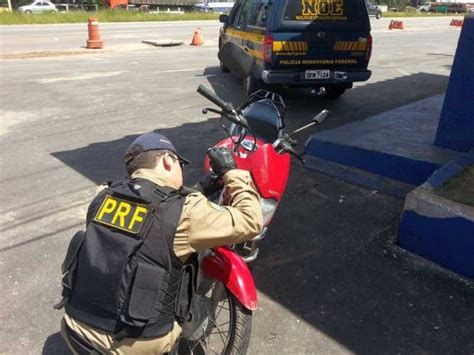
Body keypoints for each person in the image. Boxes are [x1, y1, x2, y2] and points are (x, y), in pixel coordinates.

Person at [57, 132, 263, 354]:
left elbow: (154, 210)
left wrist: (201, 189)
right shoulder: (187, 211)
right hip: (136, 345)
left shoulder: (102, 195)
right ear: (168, 160)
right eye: (180, 163)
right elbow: (251, 220)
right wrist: (232, 172)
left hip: (75, 329)